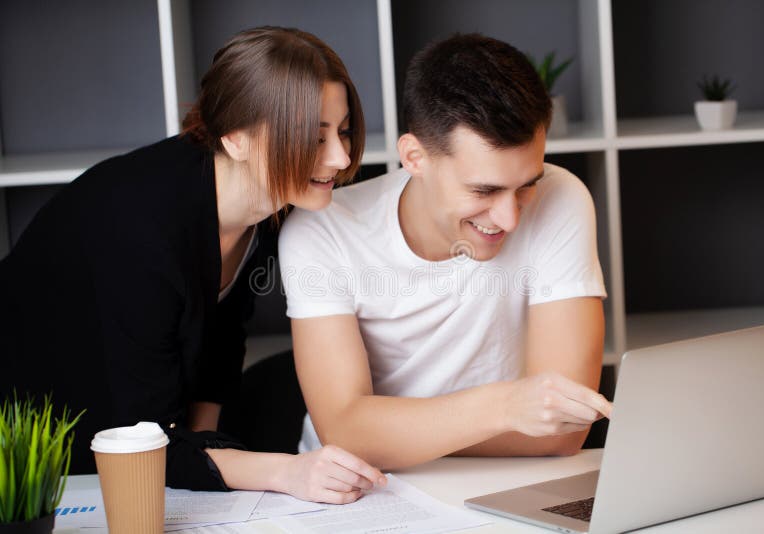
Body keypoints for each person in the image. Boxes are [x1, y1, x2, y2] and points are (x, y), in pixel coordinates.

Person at [0, 26, 386, 501]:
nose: (342, 157)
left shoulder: (268, 202)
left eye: (344, 131)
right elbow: (144, 441)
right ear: (235, 139)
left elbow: (223, 344)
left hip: (135, 429)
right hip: (34, 447)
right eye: (314, 136)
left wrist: (199, 446)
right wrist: (289, 473)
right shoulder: (144, 228)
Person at [279, 33, 613, 469]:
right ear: (415, 157)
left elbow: (563, 431)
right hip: (363, 488)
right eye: (484, 190)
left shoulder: (561, 197)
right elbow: (344, 434)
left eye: (526, 185)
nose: (509, 218)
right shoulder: (322, 232)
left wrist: (388, 433)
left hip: (500, 480)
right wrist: (507, 408)